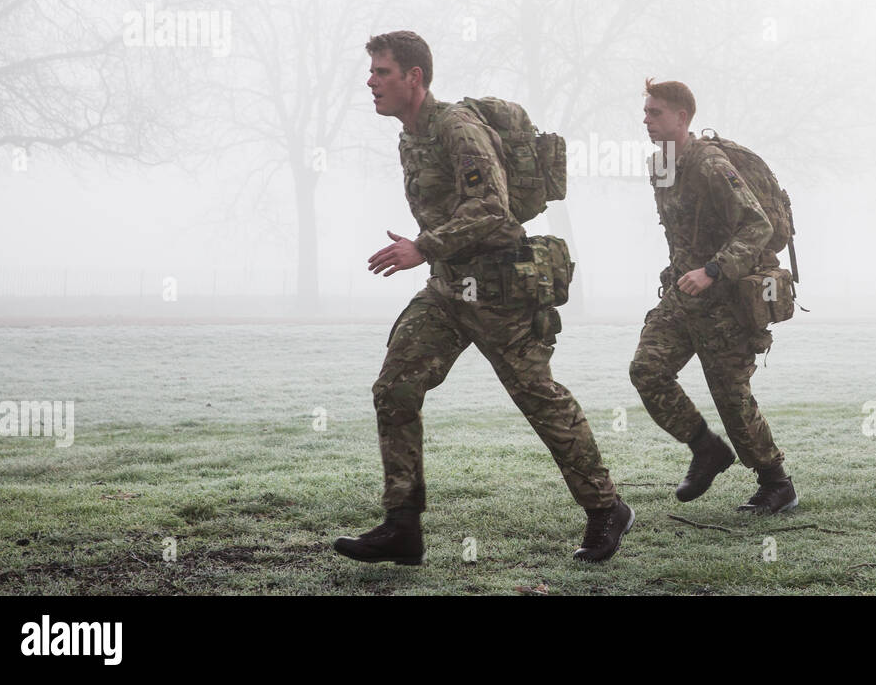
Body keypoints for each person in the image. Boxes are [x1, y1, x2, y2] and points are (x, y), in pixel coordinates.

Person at [334, 31, 633, 565]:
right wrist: (431, 253)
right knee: (395, 388)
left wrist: (422, 247)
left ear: (414, 78)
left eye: (381, 72)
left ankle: (607, 508)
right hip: (449, 290)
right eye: (372, 71)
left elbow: (494, 210)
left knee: (538, 399)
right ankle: (402, 528)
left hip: (499, 292)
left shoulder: (458, 129)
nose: (371, 81)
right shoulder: (410, 135)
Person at [628, 78, 797, 514]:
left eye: (656, 112)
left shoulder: (710, 164)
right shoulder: (659, 165)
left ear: (682, 118)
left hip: (724, 299)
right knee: (647, 370)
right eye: (645, 111)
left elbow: (756, 224)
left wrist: (713, 270)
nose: (646, 119)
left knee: (731, 396)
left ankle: (776, 483)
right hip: (683, 296)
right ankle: (706, 449)